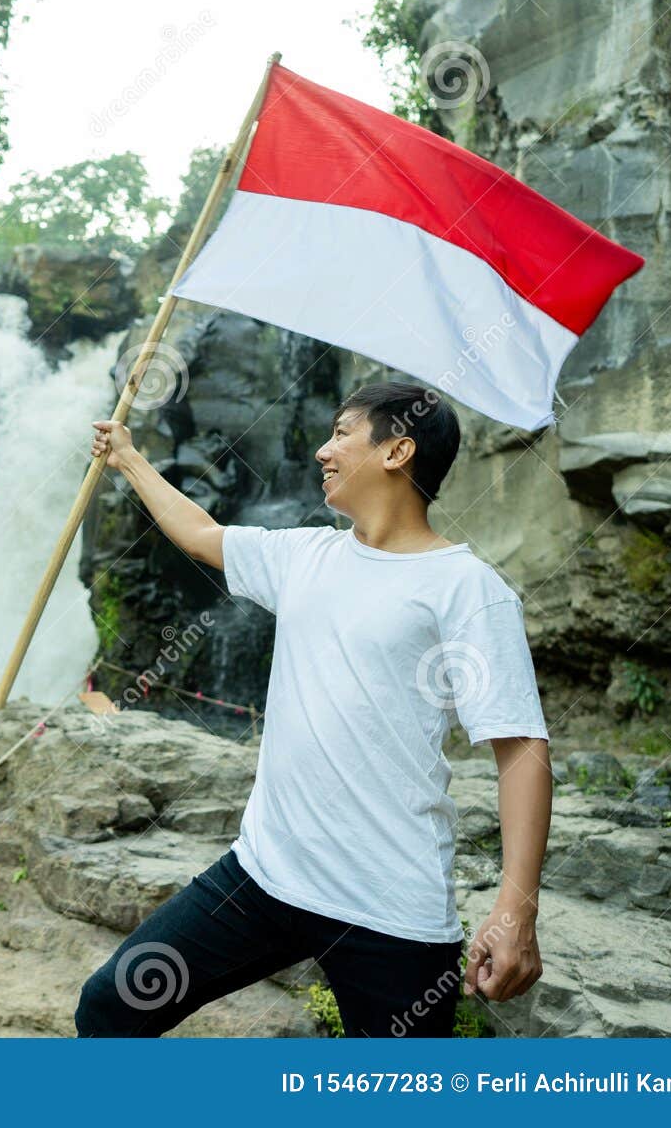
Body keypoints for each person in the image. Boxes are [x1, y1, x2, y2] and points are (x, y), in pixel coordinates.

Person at [76, 380, 552, 1038]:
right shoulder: (305, 554)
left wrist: (515, 909)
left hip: (389, 907)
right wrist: (129, 458)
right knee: (110, 1006)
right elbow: (201, 534)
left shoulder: (467, 589)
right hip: (265, 876)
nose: (324, 451)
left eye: (343, 433)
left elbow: (522, 750)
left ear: (397, 450)